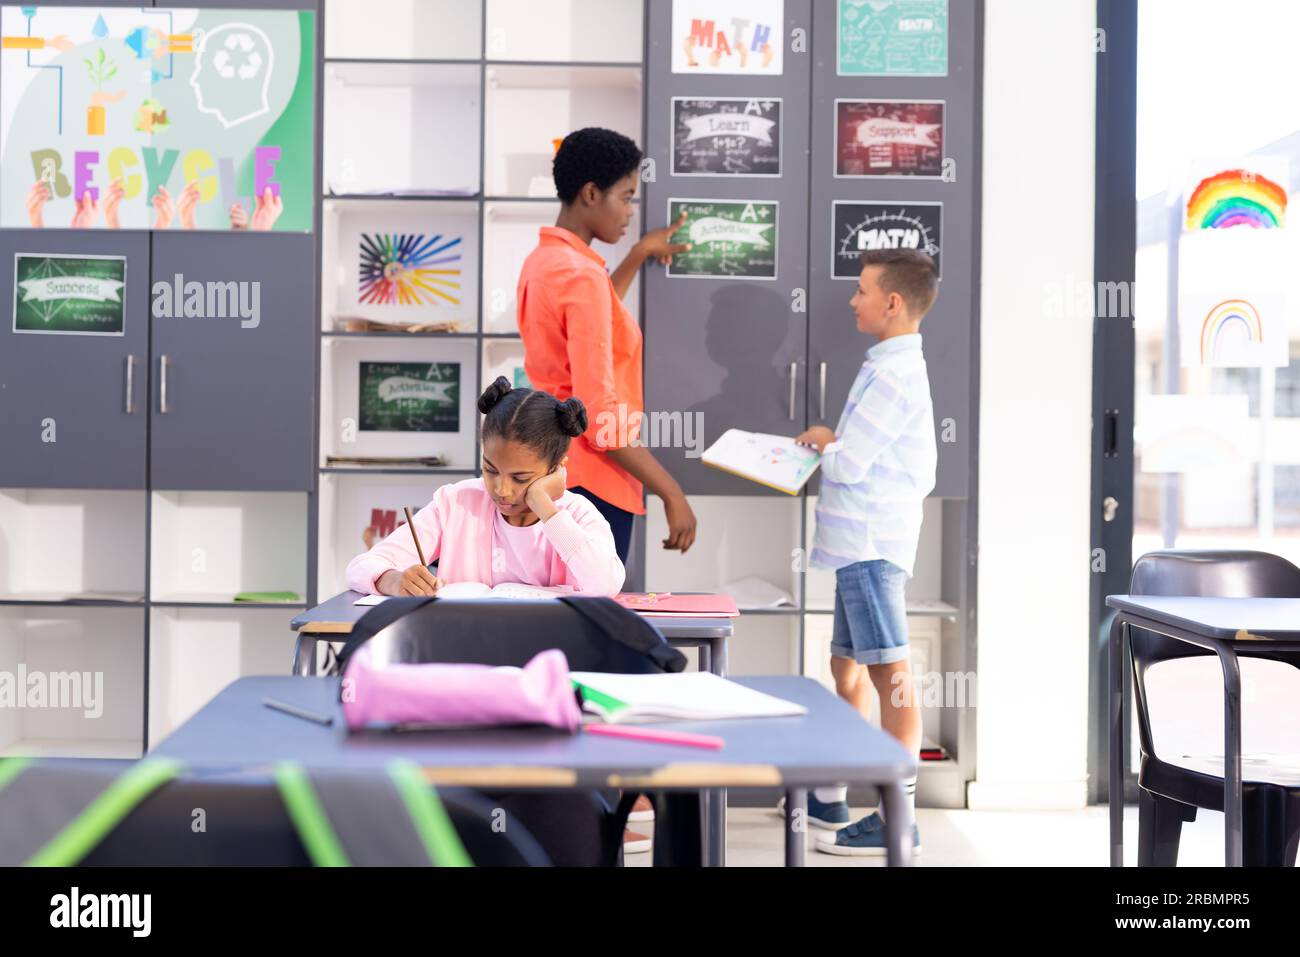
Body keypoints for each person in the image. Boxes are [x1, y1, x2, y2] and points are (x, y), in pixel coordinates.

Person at [795, 248, 939, 857]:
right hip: (857, 549)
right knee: (848, 669)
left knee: (892, 676)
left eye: (860, 290)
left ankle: (897, 816)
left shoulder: (896, 375)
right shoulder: (885, 364)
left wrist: (827, 439)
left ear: (893, 302)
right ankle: (830, 790)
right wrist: (835, 443)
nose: (852, 300)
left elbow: (851, 460)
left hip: (872, 549)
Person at [516, 127, 698, 565]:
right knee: (591, 622)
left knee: (559, 621)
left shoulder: (544, 262)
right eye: (626, 196)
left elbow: (596, 318)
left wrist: (635, 255)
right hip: (593, 485)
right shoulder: (582, 276)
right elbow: (598, 419)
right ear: (592, 194)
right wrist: (671, 491)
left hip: (550, 472)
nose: (630, 211)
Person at [346, 377, 624, 598]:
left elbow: (605, 585)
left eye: (521, 478)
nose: (502, 489)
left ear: (555, 468)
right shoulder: (455, 503)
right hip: (466, 656)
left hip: (550, 655)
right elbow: (361, 567)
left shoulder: (576, 514)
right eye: (491, 470)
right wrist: (392, 580)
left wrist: (545, 506)